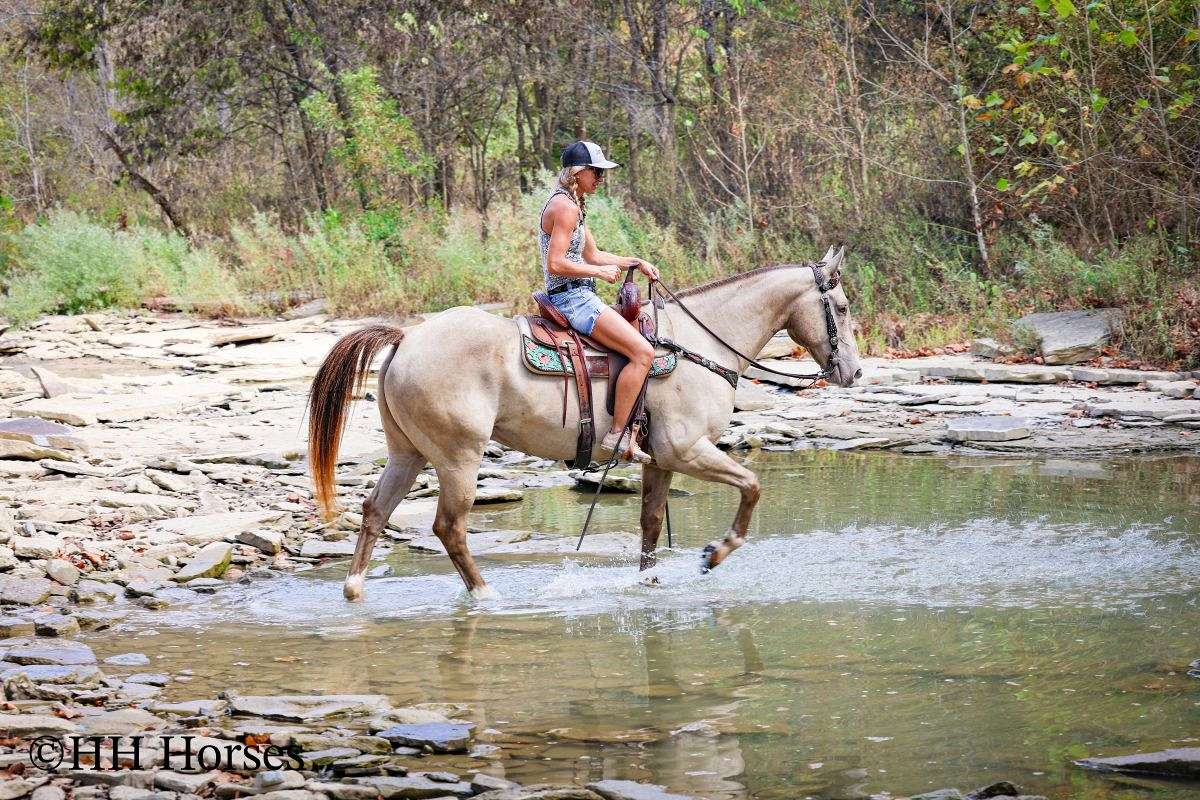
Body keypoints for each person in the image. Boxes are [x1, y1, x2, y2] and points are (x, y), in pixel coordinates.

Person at [540, 140, 660, 464]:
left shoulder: (574, 204)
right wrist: (597, 272)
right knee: (643, 352)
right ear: (578, 172)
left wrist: (635, 262)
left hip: (581, 294)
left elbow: (593, 254)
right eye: (596, 172)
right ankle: (618, 434)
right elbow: (556, 263)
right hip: (572, 298)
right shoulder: (564, 208)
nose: (601, 179)